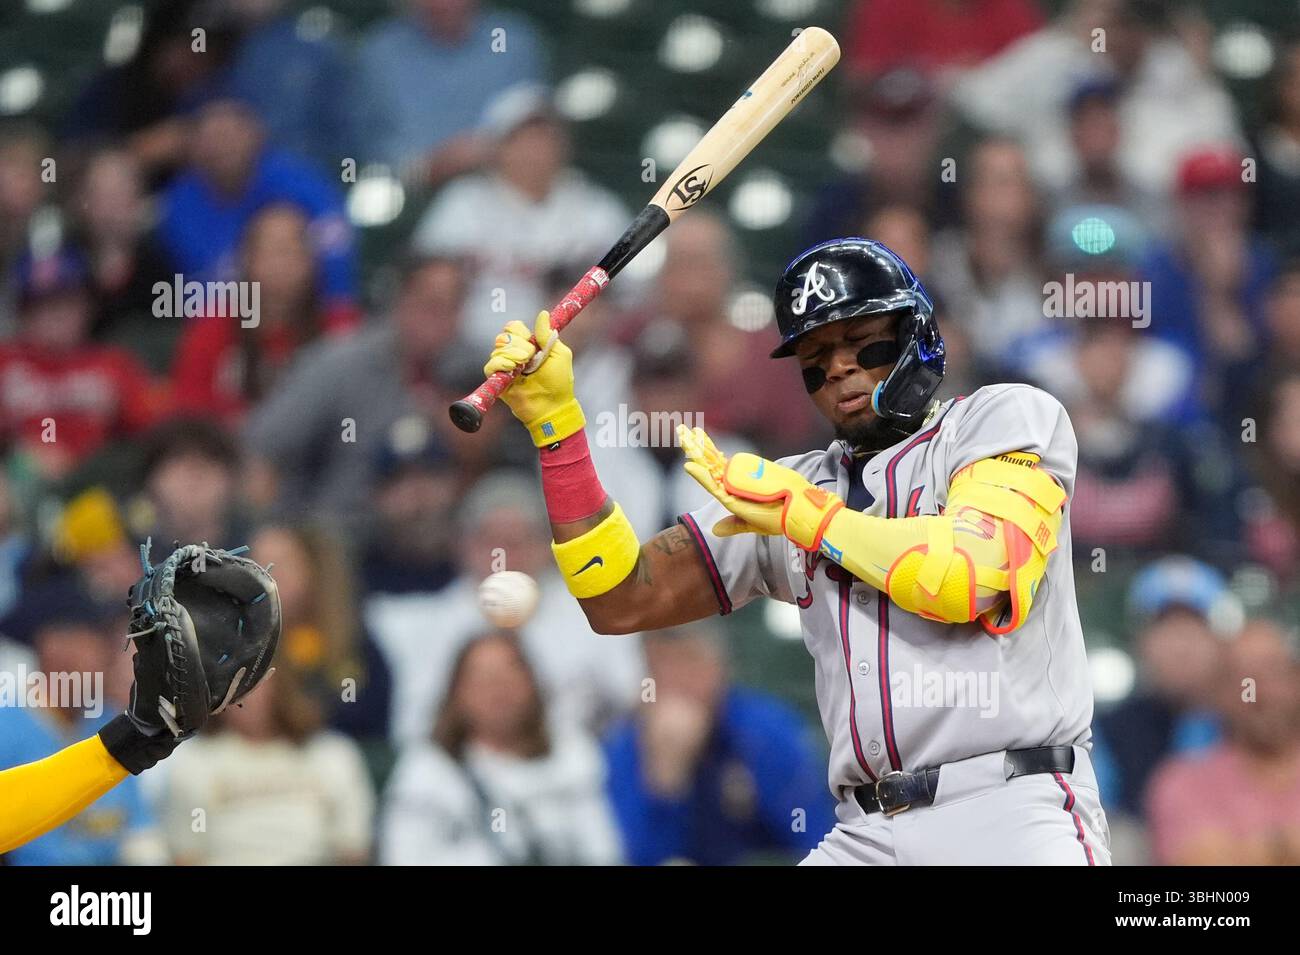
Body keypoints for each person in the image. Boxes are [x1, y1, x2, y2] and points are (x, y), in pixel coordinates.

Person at [479, 236, 1110, 864]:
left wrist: (803, 516)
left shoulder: (1002, 420)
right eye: (814, 353)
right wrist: (557, 426)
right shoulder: (797, 487)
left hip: (1010, 809)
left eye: (859, 338)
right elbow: (619, 598)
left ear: (917, 332)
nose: (837, 366)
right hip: (866, 831)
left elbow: (968, 578)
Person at [411, 84, 630, 346]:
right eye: (521, 138)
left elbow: (632, 293)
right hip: (471, 360)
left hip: (574, 360)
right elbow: (424, 290)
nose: (534, 150)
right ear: (496, 147)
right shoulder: (462, 204)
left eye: (544, 137)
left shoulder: (597, 210)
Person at [379, 632, 622, 865]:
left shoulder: (572, 756)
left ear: (532, 682)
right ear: (457, 693)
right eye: (483, 679)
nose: (498, 689)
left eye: (509, 675)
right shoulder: (427, 771)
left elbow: (604, 852)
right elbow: (402, 859)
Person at [604, 623, 835, 866]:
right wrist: (665, 781)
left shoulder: (766, 732)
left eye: (688, 663)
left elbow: (811, 840)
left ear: (718, 667)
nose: (675, 682)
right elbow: (641, 856)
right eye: (659, 667)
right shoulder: (628, 746)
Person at [159, 667, 375, 865]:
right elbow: (186, 855)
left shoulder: (331, 754)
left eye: (255, 684)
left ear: (281, 685)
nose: (246, 698)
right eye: (234, 685)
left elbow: (352, 850)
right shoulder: (194, 760)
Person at [0, 611, 161, 864]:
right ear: (54, 652)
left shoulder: (116, 723)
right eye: (97, 646)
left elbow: (139, 838)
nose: (110, 660)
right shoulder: (7, 727)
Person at [1146, 619, 1300, 865]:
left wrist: (1253, 850)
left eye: (1274, 672)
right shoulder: (1183, 783)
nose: (1262, 693)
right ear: (1221, 694)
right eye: (1245, 681)